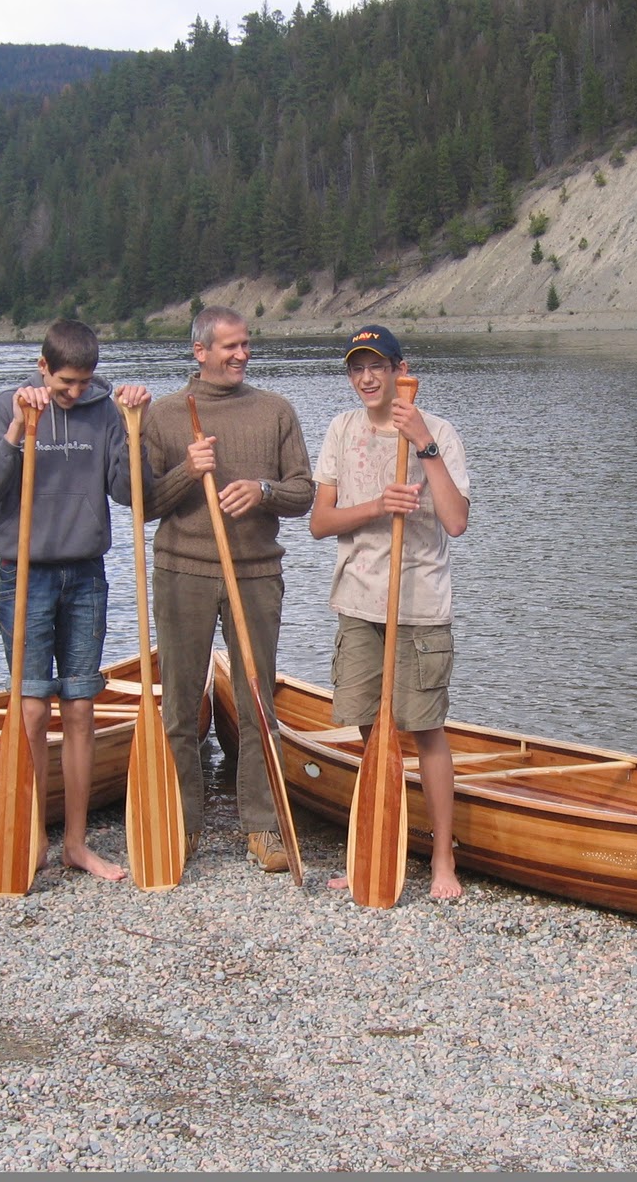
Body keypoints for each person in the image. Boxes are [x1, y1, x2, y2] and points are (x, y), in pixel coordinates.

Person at [0, 317, 152, 882]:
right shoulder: (6, 406)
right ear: (43, 367)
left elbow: (125, 491)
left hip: (86, 575)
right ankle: (29, 837)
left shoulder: (105, 409)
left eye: (84, 382)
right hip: (24, 576)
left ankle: (76, 842)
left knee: (80, 708)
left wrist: (134, 425)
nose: (75, 393)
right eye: (66, 382)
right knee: (30, 707)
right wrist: (19, 430)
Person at [141, 306, 314, 872]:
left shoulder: (275, 411)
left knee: (257, 702)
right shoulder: (165, 416)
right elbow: (143, 505)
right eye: (229, 347)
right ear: (200, 352)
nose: (241, 355)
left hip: (256, 573)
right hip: (182, 572)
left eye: (245, 345)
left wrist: (262, 490)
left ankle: (262, 826)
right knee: (179, 703)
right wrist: (187, 471)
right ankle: (182, 821)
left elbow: (304, 493)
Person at [308, 325, 470, 899]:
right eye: (357, 368)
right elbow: (319, 522)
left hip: (420, 604)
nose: (367, 378)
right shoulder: (341, 430)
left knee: (424, 728)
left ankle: (444, 861)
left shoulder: (440, 433)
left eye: (378, 366)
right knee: (368, 727)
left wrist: (422, 441)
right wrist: (379, 505)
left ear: (402, 371)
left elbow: (455, 521)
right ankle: (377, 845)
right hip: (359, 601)